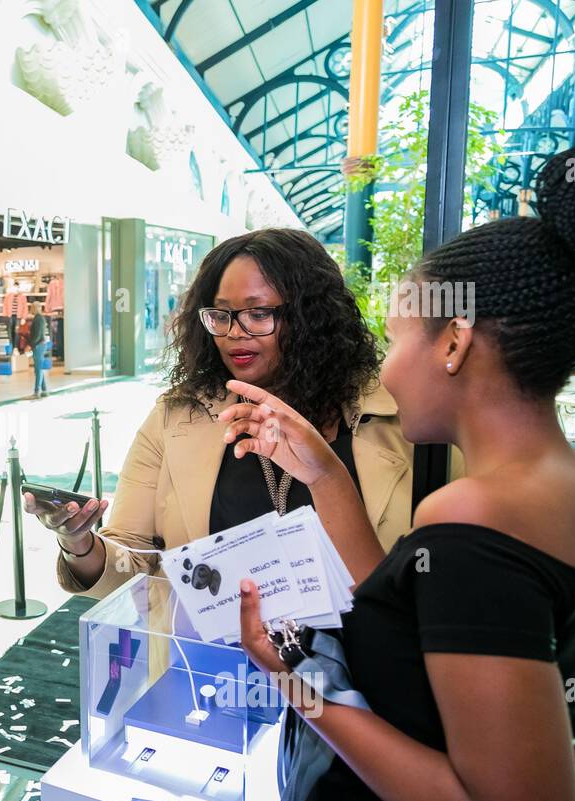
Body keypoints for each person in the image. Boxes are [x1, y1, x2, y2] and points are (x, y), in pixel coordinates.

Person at [228, 140, 575, 801]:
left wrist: (301, 687)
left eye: (398, 334)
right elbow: (429, 640)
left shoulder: (476, 517)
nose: (387, 364)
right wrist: (325, 473)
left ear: (454, 343)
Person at [24, 228, 425, 677]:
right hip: (213, 682)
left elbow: (426, 591)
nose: (235, 334)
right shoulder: (178, 417)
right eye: (221, 316)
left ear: (313, 317)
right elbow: (135, 565)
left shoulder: (404, 422)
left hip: (359, 682)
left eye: (257, 314)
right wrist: (80, 545)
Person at [30, 305, 50, 397]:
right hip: (40, 344)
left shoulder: (38, 319)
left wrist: (32, 344)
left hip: (38, 345)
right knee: (39, 368)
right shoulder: (40, 318)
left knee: (38, 369)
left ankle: (37, 390)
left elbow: (37, 334)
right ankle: (44, 389)